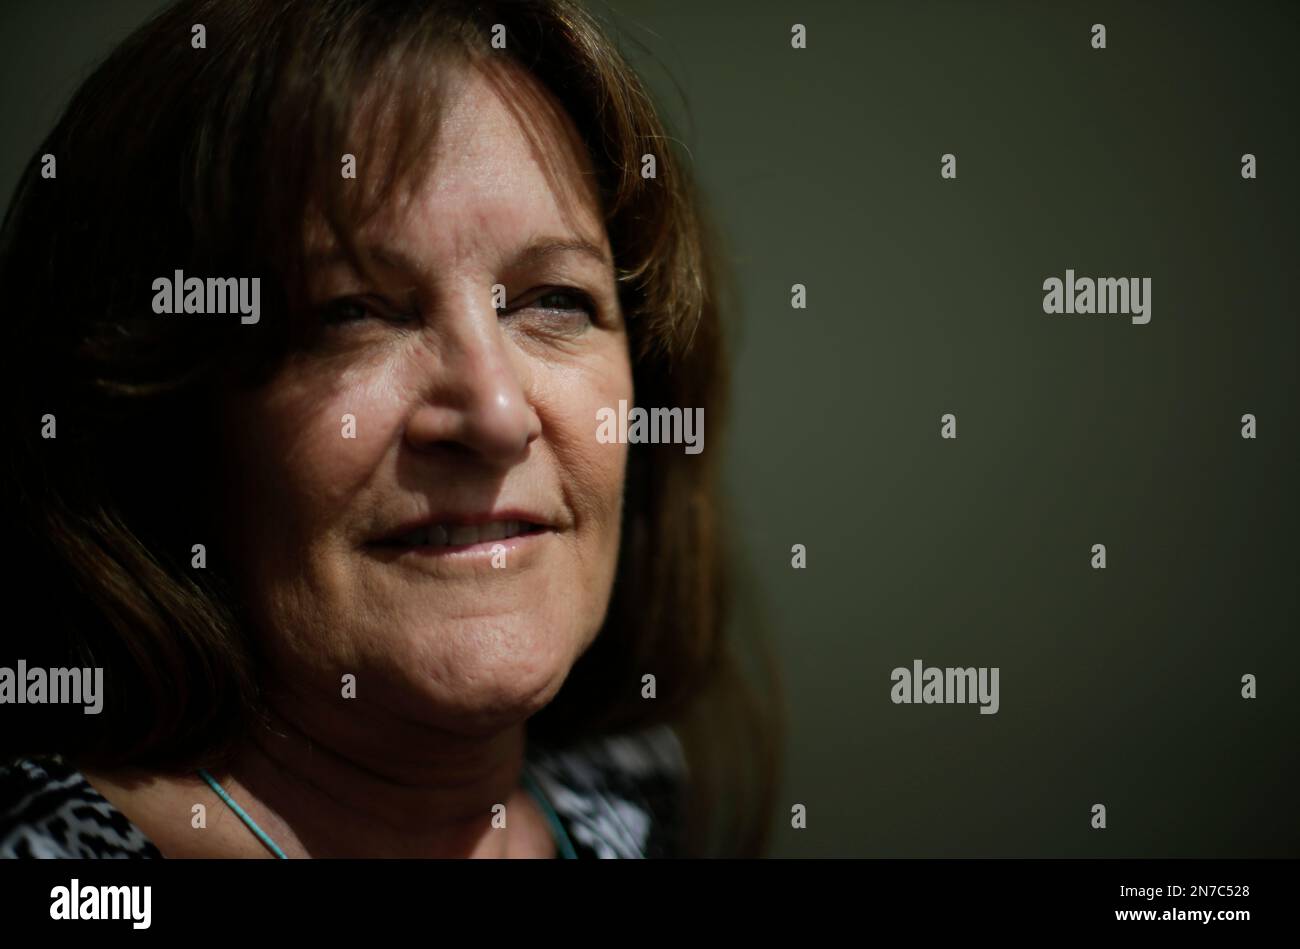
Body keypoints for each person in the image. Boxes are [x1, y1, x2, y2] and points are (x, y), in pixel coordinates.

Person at [0, 0, 779, 858]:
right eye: (353, 312)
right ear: (156, 420)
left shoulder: (645, 803)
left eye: (554, 299)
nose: (495, 415)